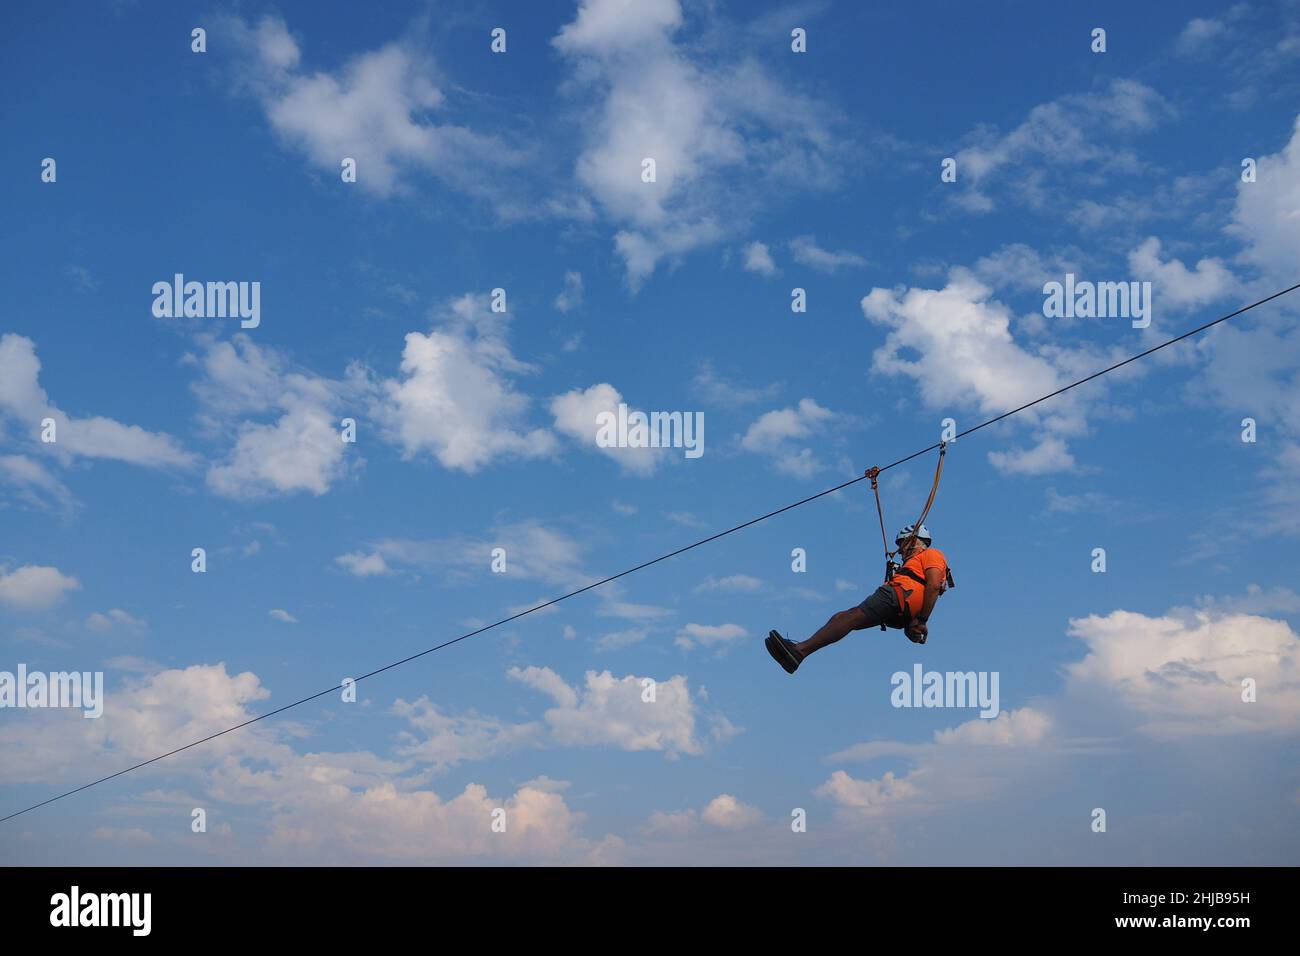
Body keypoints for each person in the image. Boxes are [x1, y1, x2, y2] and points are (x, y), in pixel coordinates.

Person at [765, 524, 951, 674]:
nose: (900, 551)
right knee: (842, 617)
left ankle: (799, 652)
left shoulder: (932, 554)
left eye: (901, 544)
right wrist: (915, 621)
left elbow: (933, 586)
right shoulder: (918, 562)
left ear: (913, 541)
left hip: (898, 595)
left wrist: (921, 620)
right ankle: (799, 653)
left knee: (851, 617)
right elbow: (928, 592)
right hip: (903, 603)